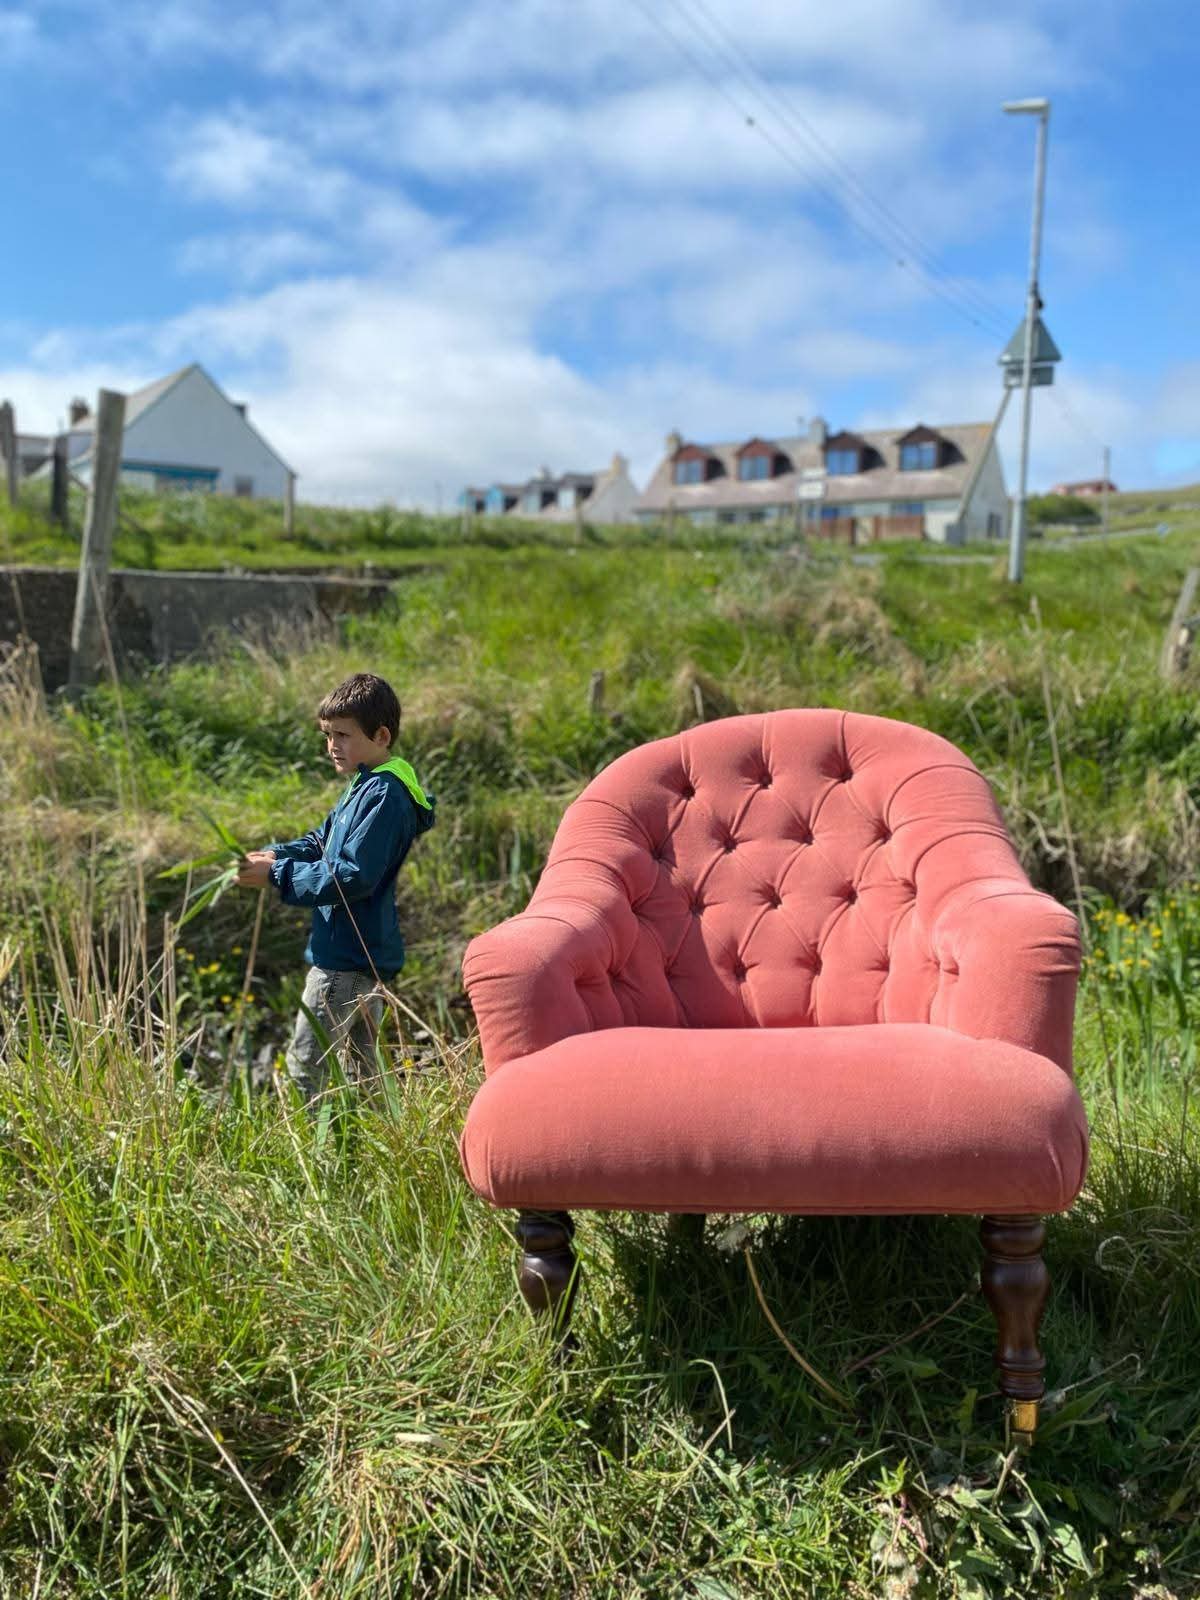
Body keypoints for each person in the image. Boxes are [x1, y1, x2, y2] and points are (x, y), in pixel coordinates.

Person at [236, 672, 435, 1103]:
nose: (332, 746)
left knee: (306, 1070)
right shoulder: (364, 786)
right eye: (327, 734)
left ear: (381, 736)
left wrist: (276, 877)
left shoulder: (384, 794)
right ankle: (371, 1152)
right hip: (361, 957)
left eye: (343, 735)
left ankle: (307, 1156)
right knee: (363, 1078)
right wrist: (274, 856)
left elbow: (351, 875)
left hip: (343, 961)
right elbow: (320, 843)